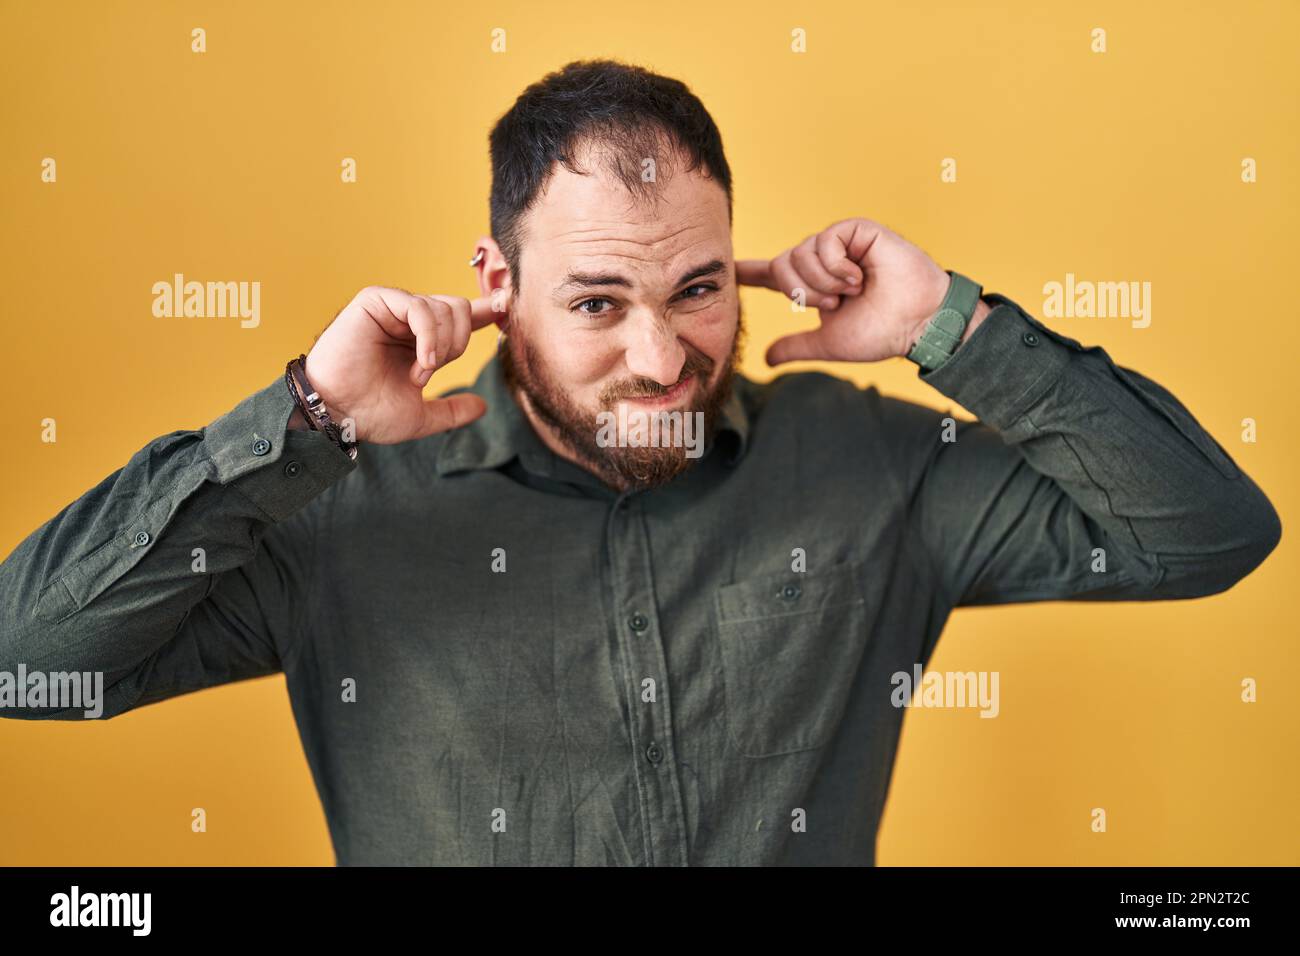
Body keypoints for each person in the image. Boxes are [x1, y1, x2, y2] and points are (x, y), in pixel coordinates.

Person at [0, 59, 1280, 865]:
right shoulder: (337, 510)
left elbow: (1206, 532)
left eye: (699, 287)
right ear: (496, 285)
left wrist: (953, 328)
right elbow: (25, 663)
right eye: (599, 302)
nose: (665, 359)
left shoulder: (870, 465)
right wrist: (302, 419)